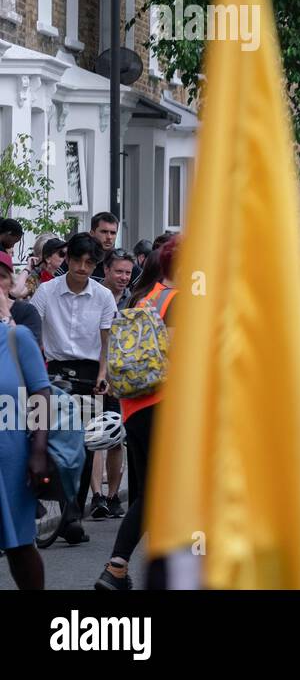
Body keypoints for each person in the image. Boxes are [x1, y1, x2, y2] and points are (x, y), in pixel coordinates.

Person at [94, 239, 180, 590]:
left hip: (135, 403)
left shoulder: (144, 295)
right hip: (164, 403)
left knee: (148, 490)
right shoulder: (178, 300)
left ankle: (116, 569)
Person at [30, 232, 117, 541]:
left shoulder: (103, 296)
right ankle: (40, 506)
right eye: (77, 261)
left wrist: (103, 375)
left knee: (82, 448)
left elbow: (107, 341)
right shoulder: (46, 291)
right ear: (66, 259)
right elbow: (33, 334)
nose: (82, 268)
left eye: (89, 263)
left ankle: (73, 515)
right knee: (43, 439)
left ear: (96, 265)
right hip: (51, 373)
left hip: (88, 374)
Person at [0, 312, 50, 589]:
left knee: (18, 545)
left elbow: (41, 393)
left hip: (11, 462)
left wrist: (39, 451)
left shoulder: (16, 338)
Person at [86, 249, 136, 523]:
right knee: (95, 435)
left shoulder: (135, 299)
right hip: (95, 372)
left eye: (128, 272)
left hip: (122, 376)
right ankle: (97, 496)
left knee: (116, 436)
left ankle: (114, 494)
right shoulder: (93, 295)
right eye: (119, 271)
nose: (124, 277)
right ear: (106, 270)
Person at [0, 252, 42, 348]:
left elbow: (28, 351)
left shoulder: (27, 311)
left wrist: (4, 313)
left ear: (11, 283)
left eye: (2, 276)